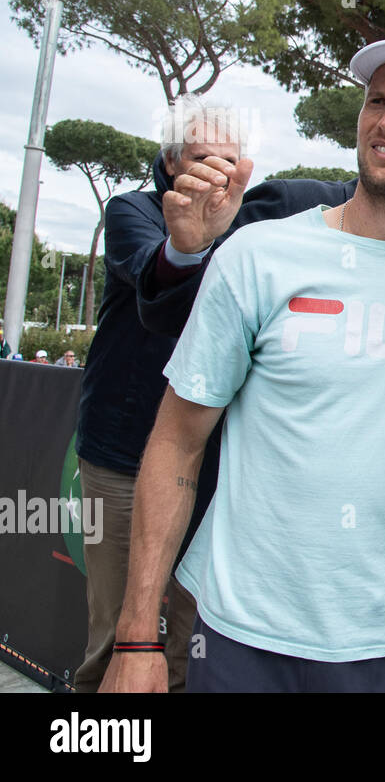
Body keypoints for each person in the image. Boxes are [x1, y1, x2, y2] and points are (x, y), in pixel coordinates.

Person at [101, 38, 385, 693]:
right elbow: (176, 442)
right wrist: (138, 638)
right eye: (377, 101)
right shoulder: (257, 255)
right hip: (238, 635)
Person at [72, 96, 245, 694]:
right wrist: (189, 244)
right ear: (171, 162)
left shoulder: (251, 229)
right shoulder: (131, 211)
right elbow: (152, 268)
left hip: (210, 470)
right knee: (119, 640)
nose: (217, 173)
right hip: (123, 458)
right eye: (202, 158)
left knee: (190, 649)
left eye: (229, 160)